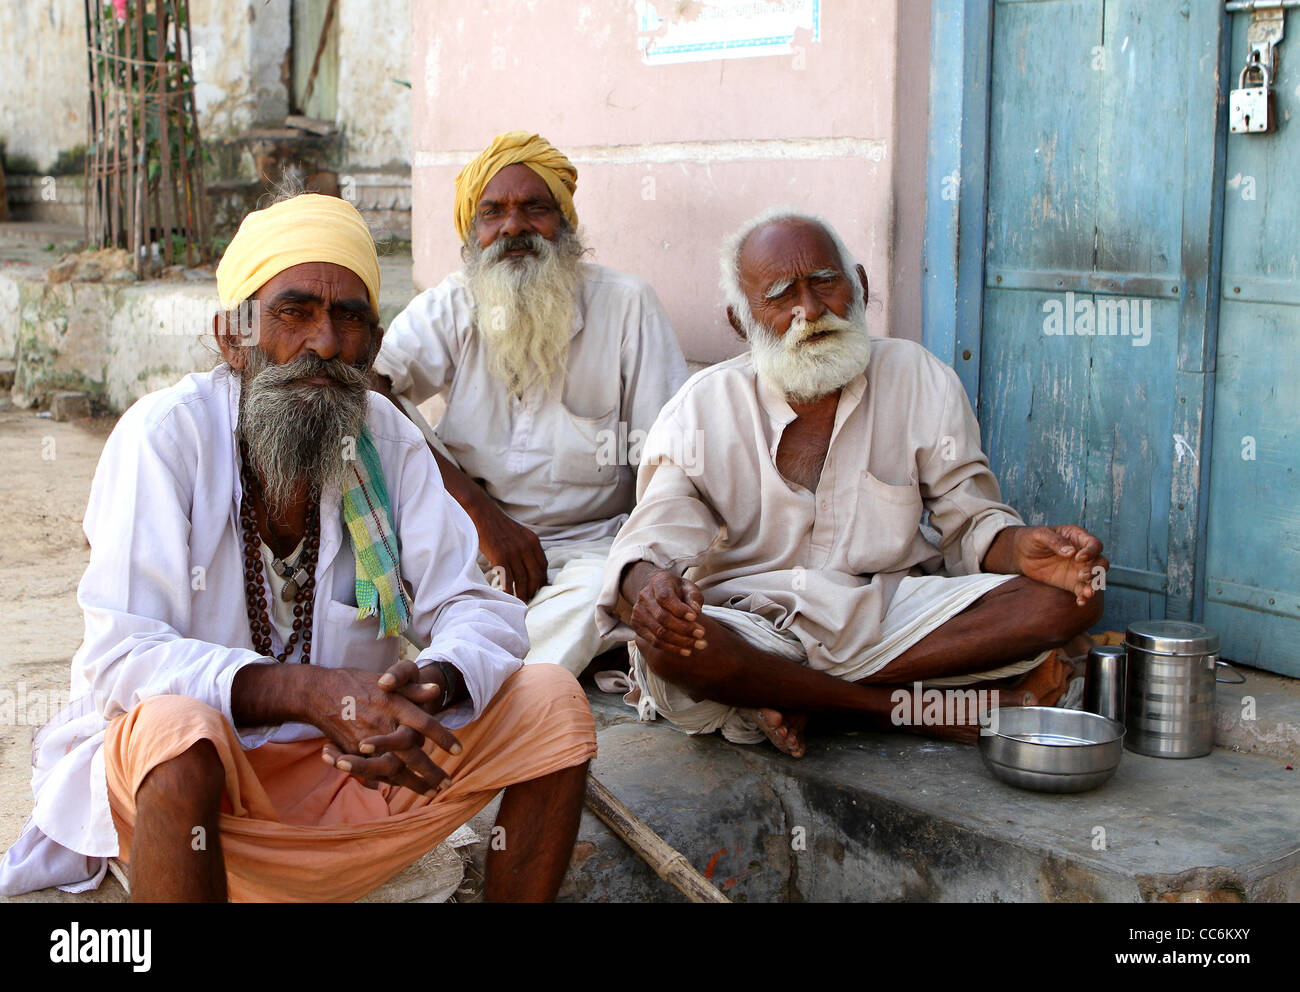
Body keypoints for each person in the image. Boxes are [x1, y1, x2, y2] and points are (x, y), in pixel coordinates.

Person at [0, 193, 595, 902]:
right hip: (208, 802)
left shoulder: (386, 438)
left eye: (350, 318)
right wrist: (309, 693)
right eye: (295, 311)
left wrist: (429, 684)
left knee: (553, 701)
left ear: (372, 344)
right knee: (176, 733)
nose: (324, 343)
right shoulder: (165, 436)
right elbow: (121, 654)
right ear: (231, 336)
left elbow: (475, 606)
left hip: (351, 780)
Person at [596, 208, 1107, 757]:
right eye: (780, 295)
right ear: (742, 321)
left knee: (1075, 598)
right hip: (756, 628)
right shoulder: (702, 409)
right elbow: (649, 540)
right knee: (674, 650)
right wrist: (653, 592)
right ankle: (901, 712)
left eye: (824, 283)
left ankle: (807, 700)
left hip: (887, 615)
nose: (810, 311)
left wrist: (1021, 548)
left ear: (859, 286)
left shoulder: (918, 377)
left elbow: (972, 524)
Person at [370, 130, 687, 676]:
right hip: (468, 538)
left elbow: (670, 464)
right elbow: (369, 385)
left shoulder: (628, 306)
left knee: (602, 591)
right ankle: (524, 660)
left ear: (564, 225)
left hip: (588, 550)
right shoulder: (452, 305)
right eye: (493, 213)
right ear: (473, 236)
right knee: (374, 550)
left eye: (533, 209)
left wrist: (643, 564)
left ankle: (466, 678)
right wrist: (482, 516)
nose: (513, 226)